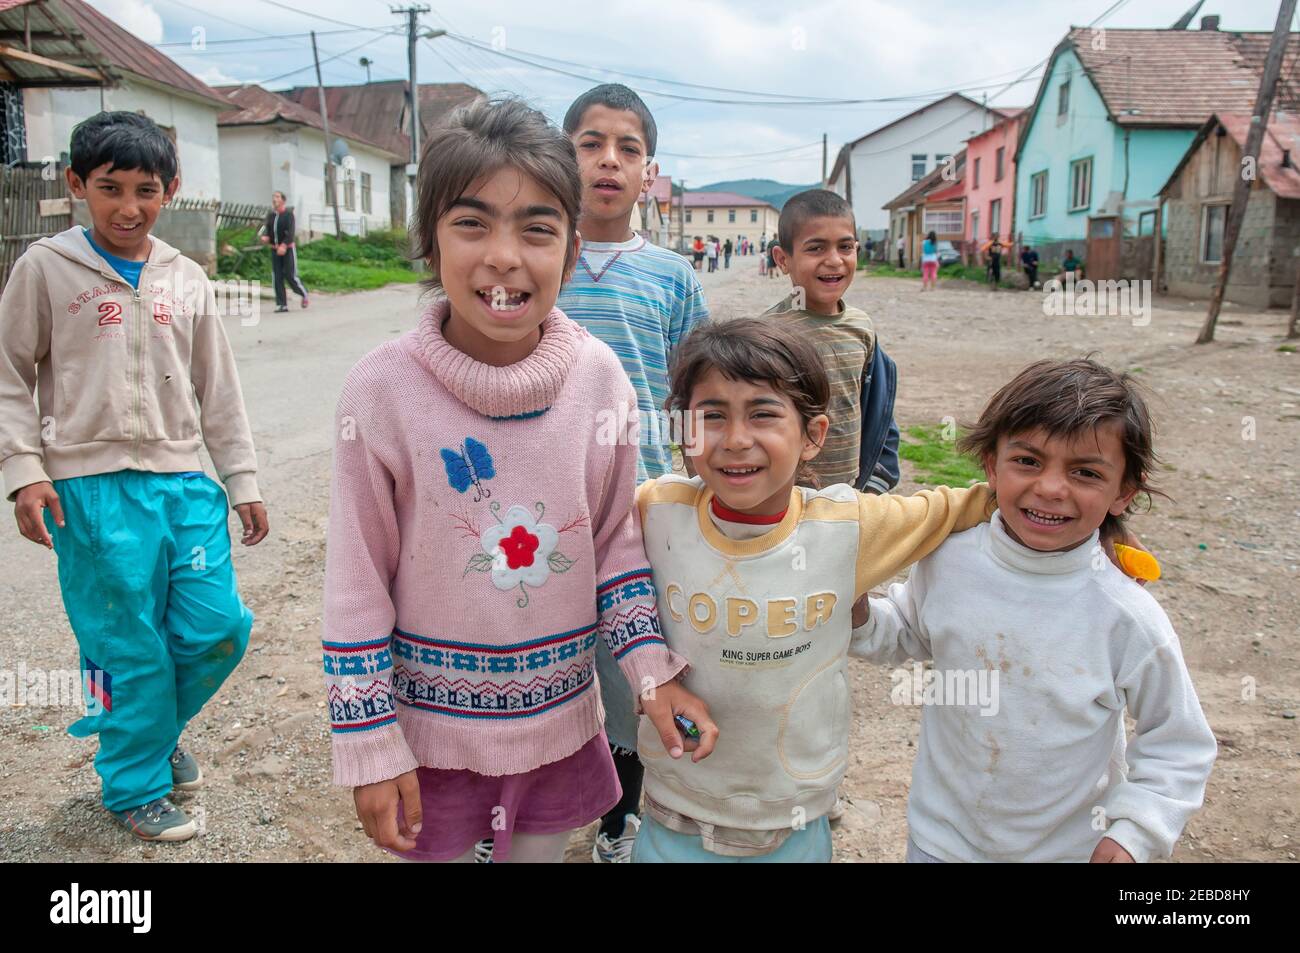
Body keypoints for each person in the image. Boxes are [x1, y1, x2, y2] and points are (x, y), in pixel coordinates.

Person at [325, 96, 716, 865]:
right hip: (429, 737)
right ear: (429, 243)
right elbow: (355, 581)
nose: (504, 255)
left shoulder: (602, 382)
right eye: (472, 224)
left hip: (558, 723)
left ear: (571, 252)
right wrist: (369, 741)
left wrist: (647, 675)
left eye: (536, 228)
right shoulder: (380, 390)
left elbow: (617, 548)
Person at [630, 319, 997, 862]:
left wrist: (1093, 532)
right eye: (711, 416)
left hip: (794, 816)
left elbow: (966, 505)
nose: (735, 439)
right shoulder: (656, 511)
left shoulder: (846, 528)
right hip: (675, 807)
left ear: (814, 436)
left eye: (763, 414)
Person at [0, 111, 269, 841]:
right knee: (128, 644)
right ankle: (135, 785)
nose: (128, 207)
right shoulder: (45, 268)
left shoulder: (186, 279)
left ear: (171, 190)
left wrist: (240, 478)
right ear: (76, 185)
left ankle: (148, 731)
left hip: (184, 485)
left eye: (145, 190)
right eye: (109, 188)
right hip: (89, 492)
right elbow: (10, 376)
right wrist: (26, 471)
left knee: (219, 628)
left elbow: (219, 387)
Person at [853, 359, 1217, 862]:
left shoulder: (1126, 615)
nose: (1050, 488)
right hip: (940, 841)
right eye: (1027, 461)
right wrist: (853, 607)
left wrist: (1134, 833)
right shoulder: (948, 557)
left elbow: (1178, 741)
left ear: (1124, 493)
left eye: (1085, 472)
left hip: (1068, 850)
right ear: (990, 465)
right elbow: (907, 633)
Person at [556, 83, 710, 861]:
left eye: (628, 147)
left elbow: (695, 403)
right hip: (537, 512)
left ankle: (619, 821)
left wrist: (699, 499)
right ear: (565, 154)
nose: (608, 160)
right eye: (590, 143)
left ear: (651, 169)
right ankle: (507, 820)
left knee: (631, 676)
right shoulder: (540, 257)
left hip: (639, 512)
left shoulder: (675, 278)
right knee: (537, 674)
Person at [767, 189, 900, 494]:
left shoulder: (862, 327)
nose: (834, 260)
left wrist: (876, 480)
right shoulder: (768, 334)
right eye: (816, 248)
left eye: (845, 247)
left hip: (851, 491)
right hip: (787, 493)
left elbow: (878, 407)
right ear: (783, 259)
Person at [261, 191, 309, 312]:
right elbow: (268, 230)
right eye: (273, 197)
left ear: (283, 200)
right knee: (277, 277)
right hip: (274, 250)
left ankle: (303, 293)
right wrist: (266, 237)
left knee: (290, 275)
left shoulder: (288, 215)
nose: (274, 199)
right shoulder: (271, 216)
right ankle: (282, 304)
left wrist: (283, 245)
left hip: (287, 250)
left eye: (277, 197)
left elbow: (291, 233)